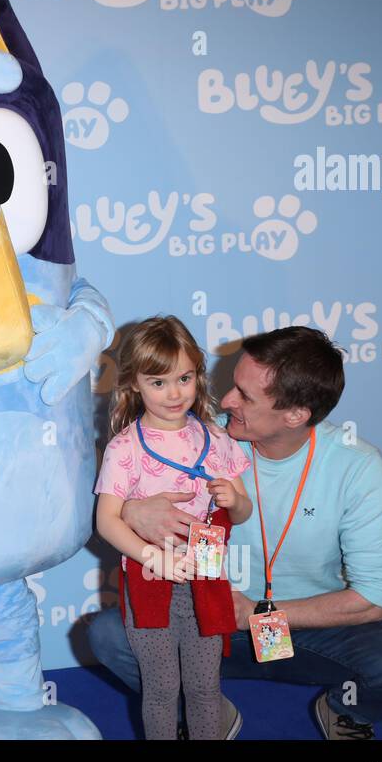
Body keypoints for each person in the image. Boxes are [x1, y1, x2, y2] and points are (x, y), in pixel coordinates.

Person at [87, 326, 382, 739]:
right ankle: (204, 711)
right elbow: (111, 501)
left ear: (295, 414)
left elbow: (372, 600)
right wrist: (131, 511)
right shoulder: (199, 437)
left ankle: (345, 708)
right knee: (110, 636)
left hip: (306, 630)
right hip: (207, 618)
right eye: (232, 385)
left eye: (245, 397)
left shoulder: (357, 467)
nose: (226, 400)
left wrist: (256, 613)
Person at [95, 316, 252, 740]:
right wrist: (154, 557)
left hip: (206, 578)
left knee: (205, 687)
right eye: (158, 382)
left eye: (184, 378)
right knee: (162, 688)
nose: (174, 393)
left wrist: (235, 501)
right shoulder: (124, 448)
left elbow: (243, 512)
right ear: (133, 384)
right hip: (150, 581)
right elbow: (106, 521)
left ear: (198, 376)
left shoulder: (217, 439)